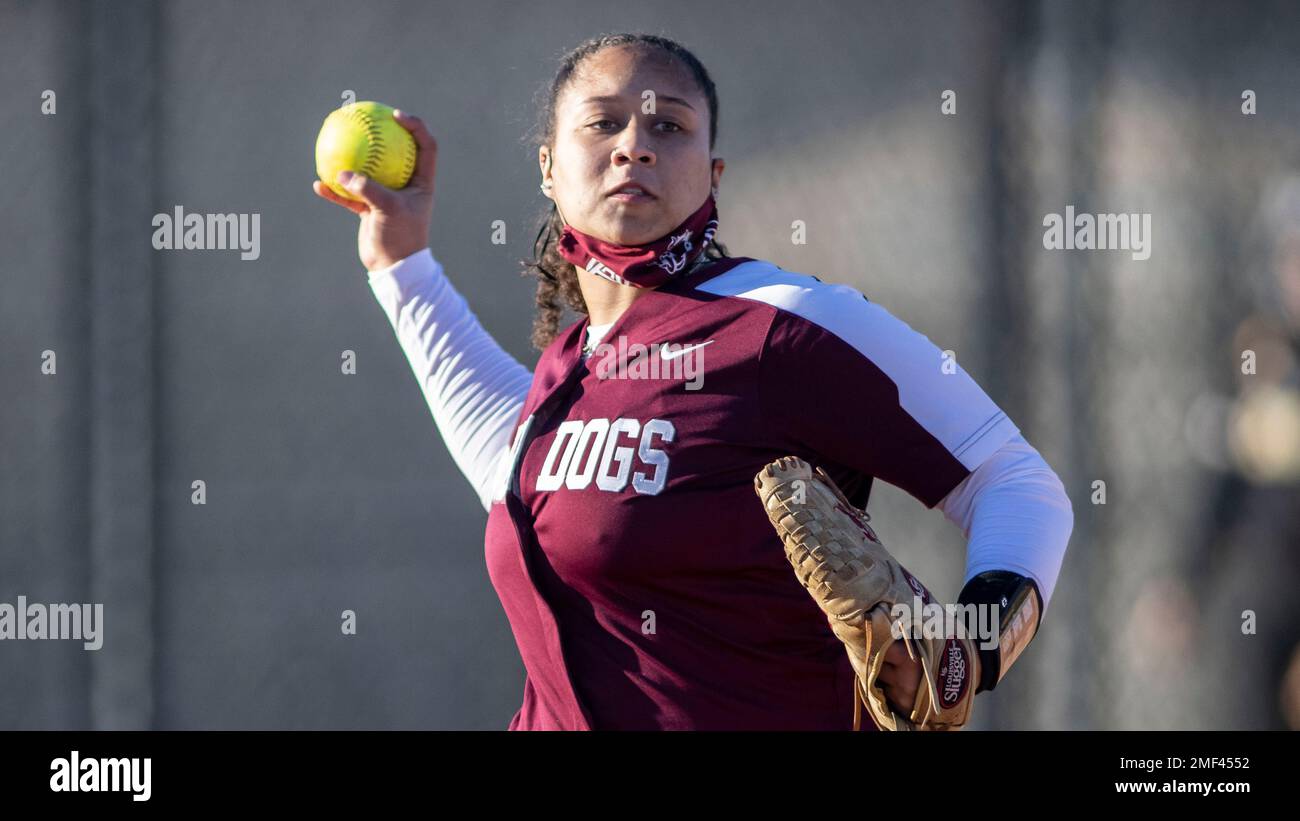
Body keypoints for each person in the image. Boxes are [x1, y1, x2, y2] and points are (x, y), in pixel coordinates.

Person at [313, 33, 1074, 730]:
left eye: (667, 126)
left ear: (713, 174)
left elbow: (1013, 480)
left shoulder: (784, 325)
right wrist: (401, 263)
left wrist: (968, 649)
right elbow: (514, 466)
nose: (633, 147)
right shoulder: (569, 367)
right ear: (548, 164)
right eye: (602, 123)